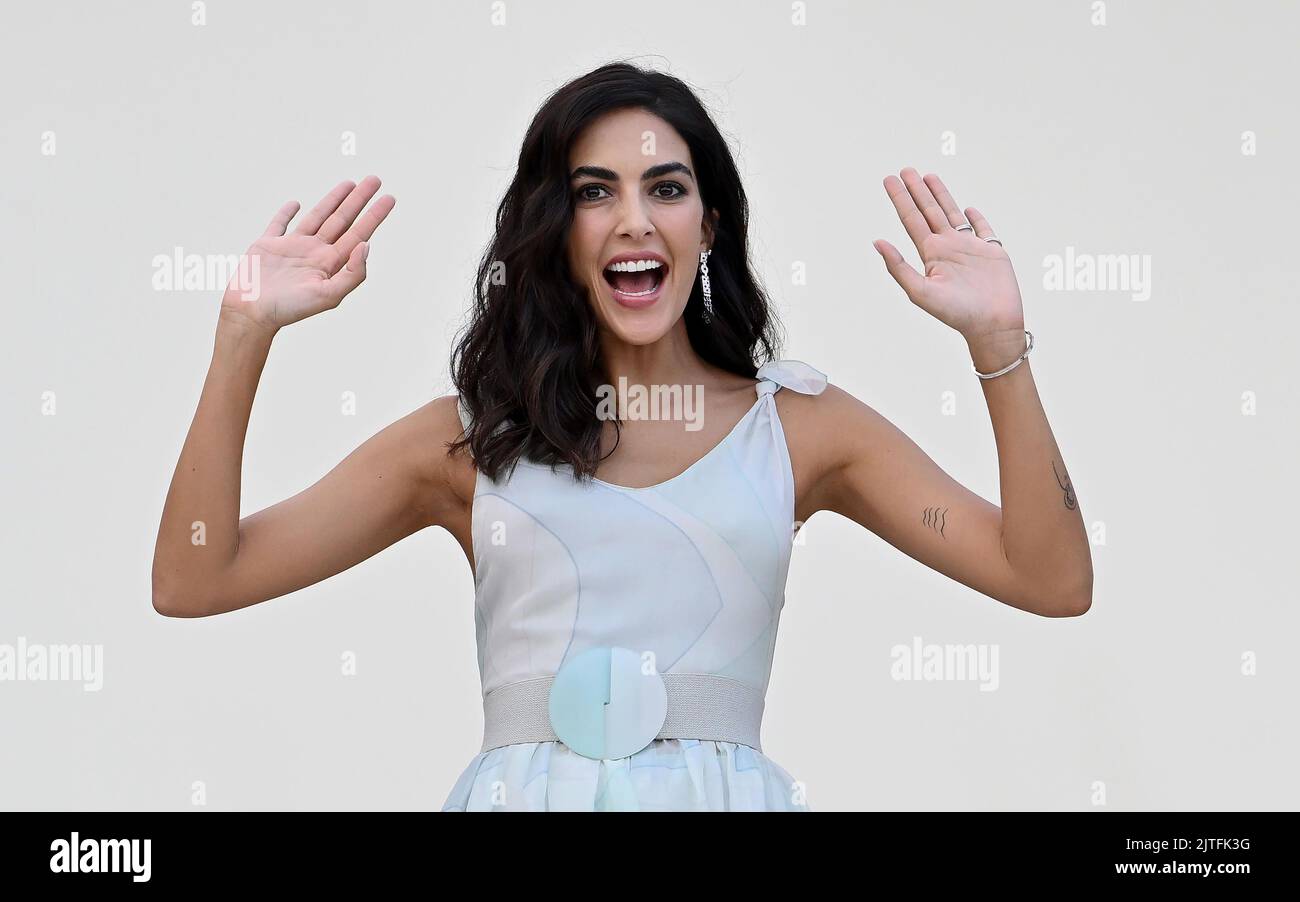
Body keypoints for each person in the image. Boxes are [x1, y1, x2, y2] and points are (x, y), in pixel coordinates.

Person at [151, 62, 1092, 812]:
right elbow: (197, 579)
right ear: (558, 231)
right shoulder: (470, 443)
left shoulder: (802, 429)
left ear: (709, 223)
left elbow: (1048, 579)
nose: (634, 220)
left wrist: (999, 348)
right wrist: (243, 334)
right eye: (595, 192)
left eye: (667, 188)